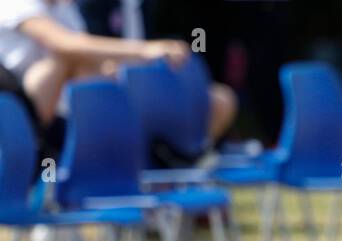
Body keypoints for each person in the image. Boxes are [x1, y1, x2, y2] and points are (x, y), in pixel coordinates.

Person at [0, 0, 233, 157]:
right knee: (64, 60)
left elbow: (95, 61)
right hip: (18, 120)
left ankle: (171, 162)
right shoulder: (17, 3)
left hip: (66, 117)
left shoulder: (64, 8)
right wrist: (145, 50)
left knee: (219, 100)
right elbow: (65, 44)